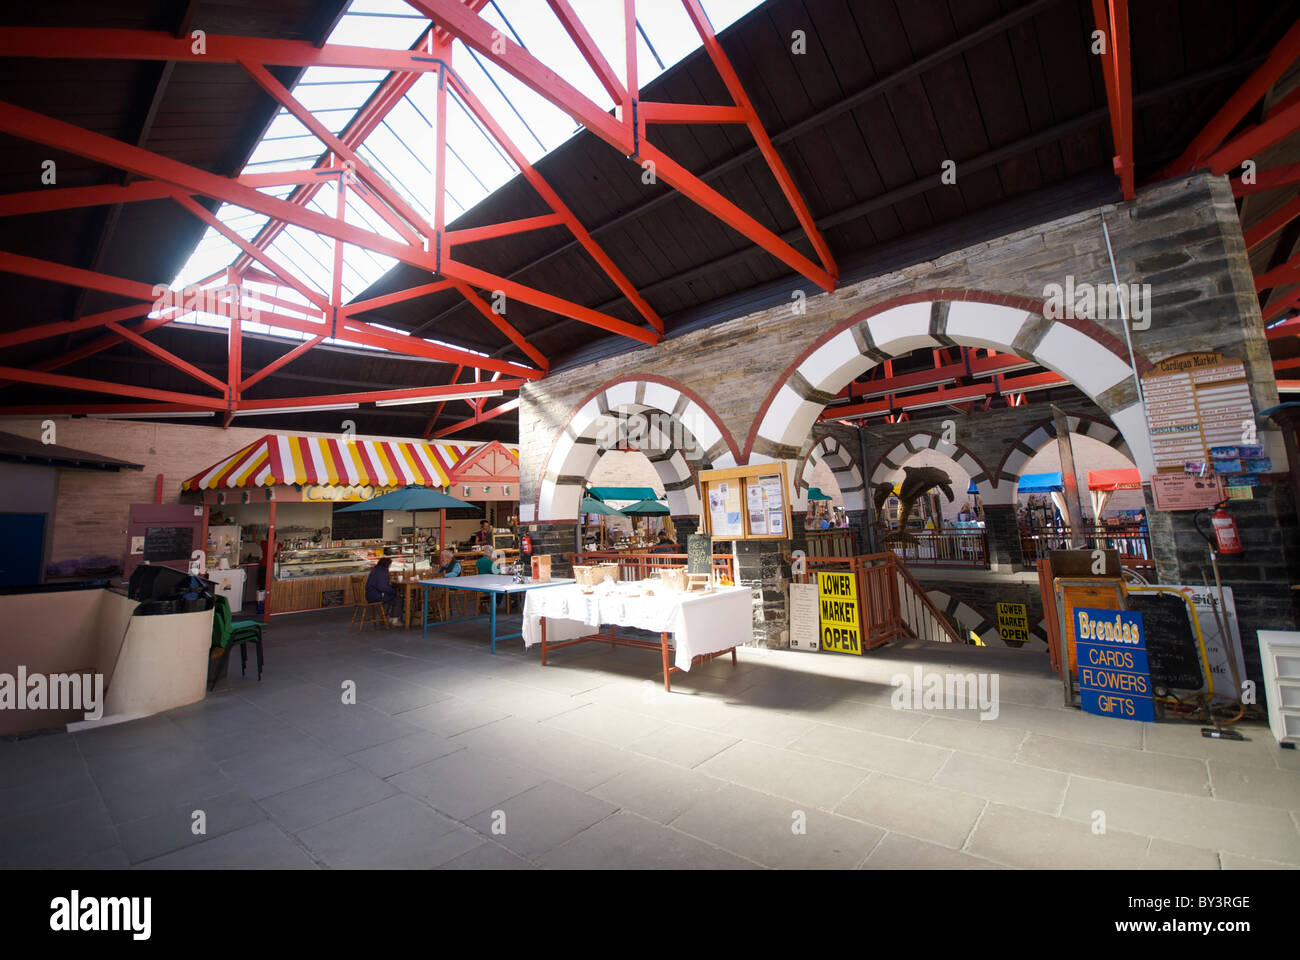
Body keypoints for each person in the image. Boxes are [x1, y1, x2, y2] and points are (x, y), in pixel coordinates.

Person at [365, 556, 402, 626]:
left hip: (370, 594)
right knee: (397, 599)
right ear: (387, 564)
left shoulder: (376, 569)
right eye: (390, 565)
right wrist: (393, 591)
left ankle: (387, 617)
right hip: (376, 595)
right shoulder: (382, 571)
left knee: (394, 597)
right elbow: (382, 587)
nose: (390, 566)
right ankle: (394, 619)